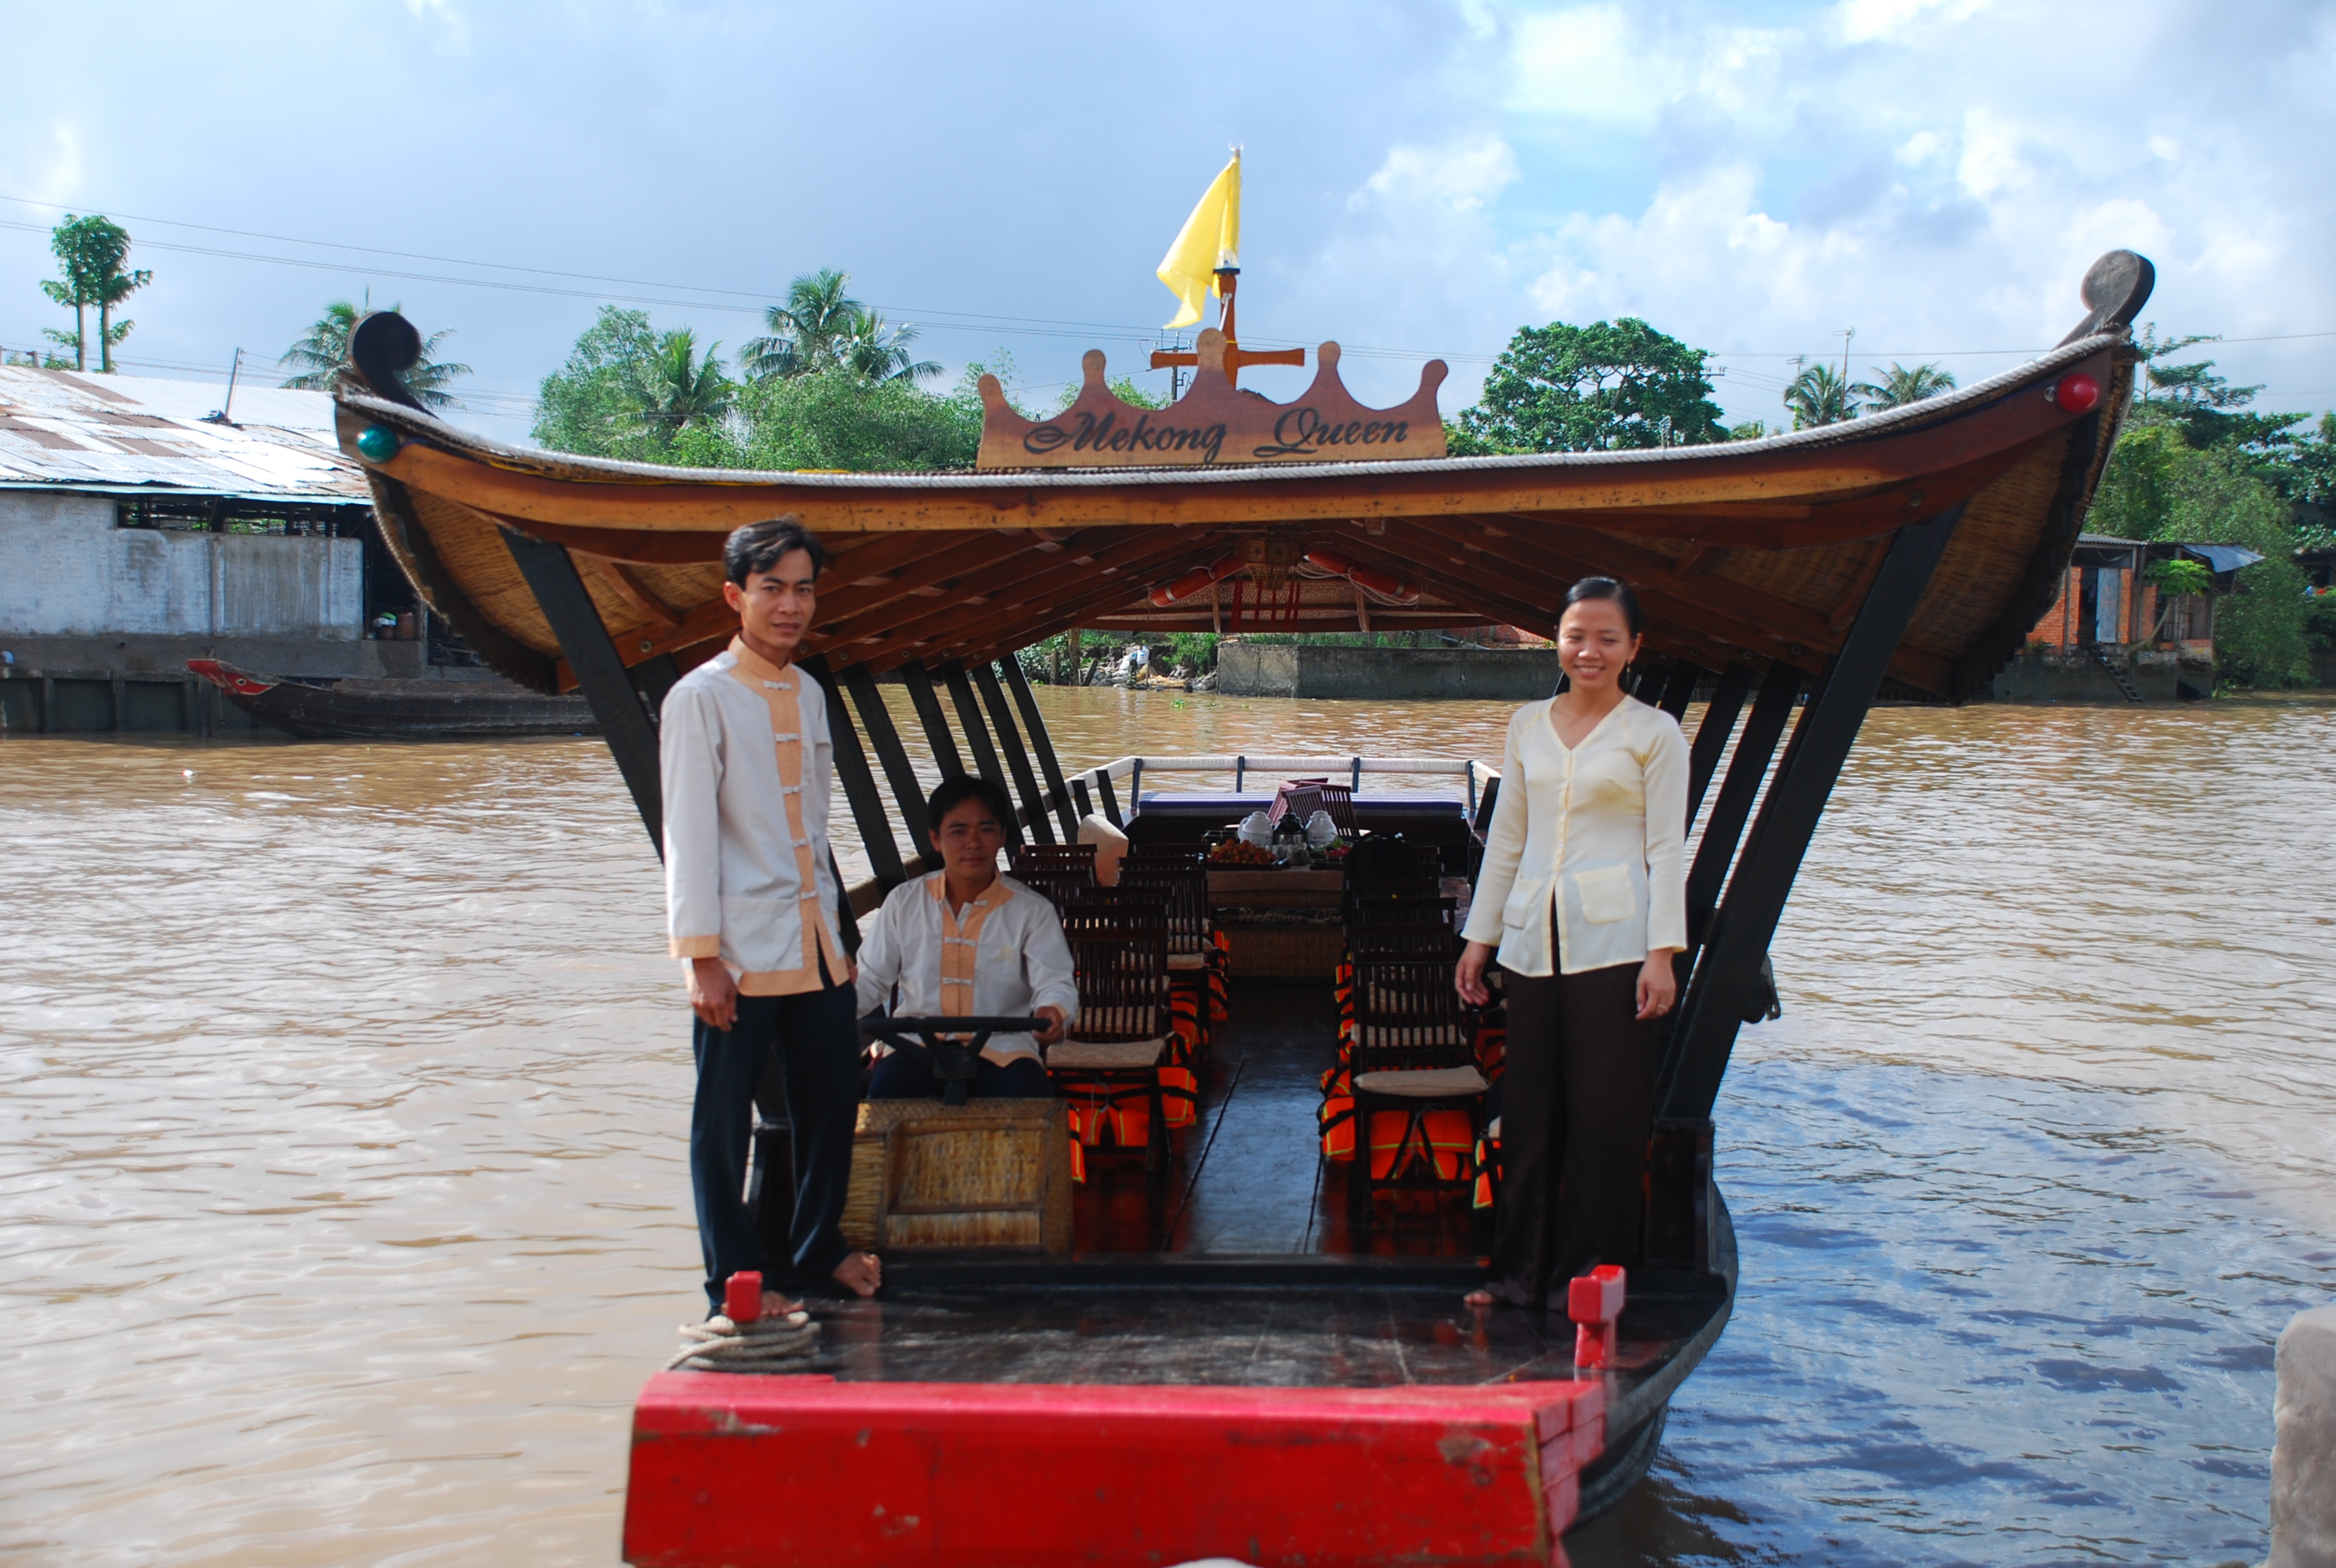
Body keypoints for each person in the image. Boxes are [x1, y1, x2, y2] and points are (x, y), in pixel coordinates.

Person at [661, 516, 881, 1308]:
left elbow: (815, 829)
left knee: (832, 1104)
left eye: (803, 589)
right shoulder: (700, 698)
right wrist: (701, 958)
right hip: (741, 953)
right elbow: (686, 833)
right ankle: (734, 1282)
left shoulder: (811, 691)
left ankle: (817, 1247)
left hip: (815, 943)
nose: (790, 606)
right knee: (720, 1121)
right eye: (772, 589)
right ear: (735, 596)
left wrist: (838, 937)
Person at [1456, 577, 1688, 1310]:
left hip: (1615, 949)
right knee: (1527, 1118)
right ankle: (1516, 1276)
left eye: (1607, 639)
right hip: (1531, 946)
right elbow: (1508, 842)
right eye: (1576, 636)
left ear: (1633, 649)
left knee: (1605, 1123)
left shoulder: (1653, 733)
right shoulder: (1528, 724)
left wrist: (1663, 954)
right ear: (1557, 640)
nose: (1589, 651)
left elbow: (1666, 850)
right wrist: (1479, 940)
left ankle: (1586, 1284)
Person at [859, 777, 1077, 1099]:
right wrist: (831, 1008)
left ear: (1002, 836)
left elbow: (1056, 982)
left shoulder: (1032, 911)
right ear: (936, 839)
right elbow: (872, 978)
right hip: (915, 1047)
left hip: (1004, 1050)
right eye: (958, 831)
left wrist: (1054, 1010)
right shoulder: (903, 903)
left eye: (986, 830)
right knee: (885, 1100)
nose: (973, 843)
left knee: (1030, 1101)